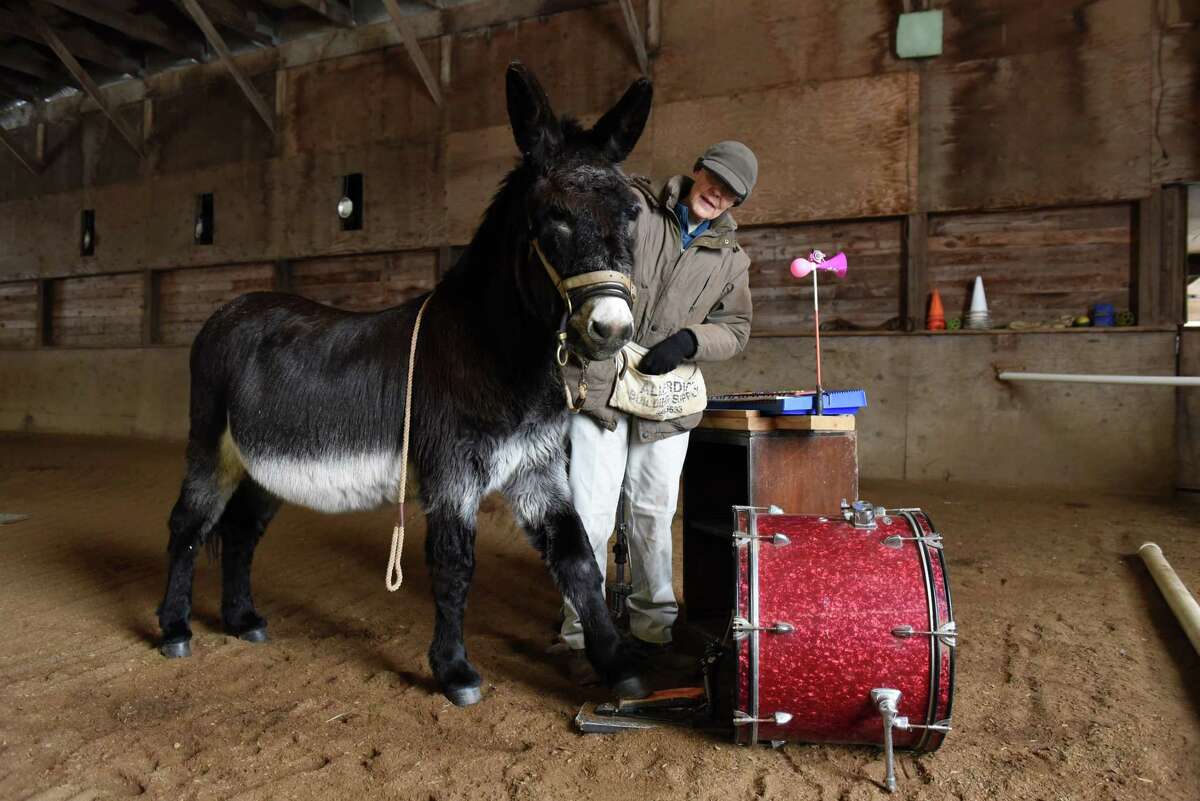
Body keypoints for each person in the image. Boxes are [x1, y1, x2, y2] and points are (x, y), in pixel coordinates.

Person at [551, 141, 756, 682]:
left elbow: (736, 329)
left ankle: (653, 628)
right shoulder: (635, 209)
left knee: (655, 511)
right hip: (599, 380)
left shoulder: (733, 260)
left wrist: (690, 340)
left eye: (732, 193)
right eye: (715, 179)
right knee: (591, 512)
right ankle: (580, 632)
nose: (719, 194)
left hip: (666, 393)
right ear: (697, 170)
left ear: (737, 202)